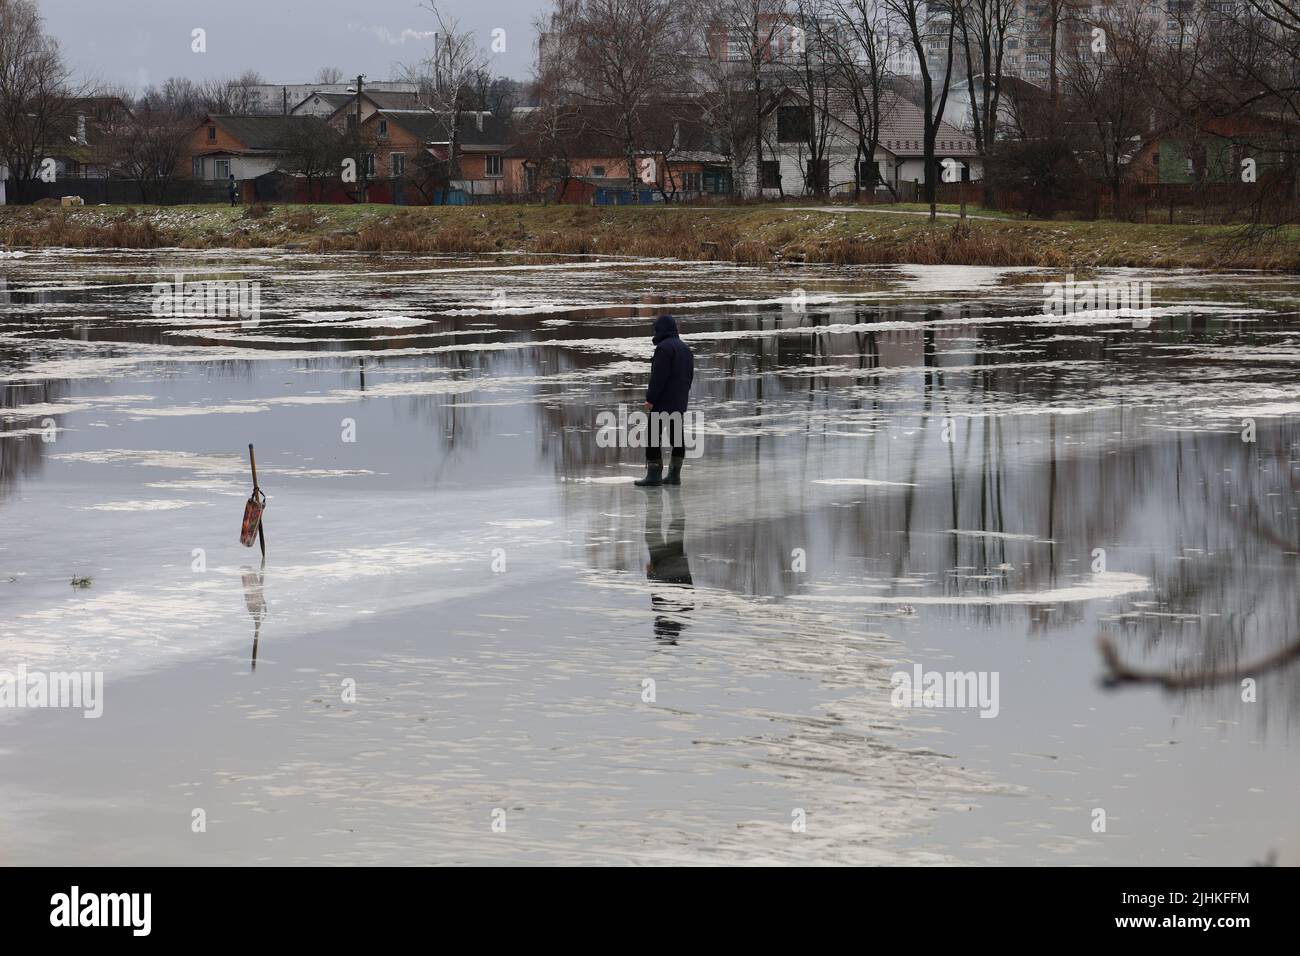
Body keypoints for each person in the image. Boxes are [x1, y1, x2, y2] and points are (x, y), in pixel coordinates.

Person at [635, 314, 694, 487]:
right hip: (679, 401)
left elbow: (658, 377)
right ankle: (674, 475)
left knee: (653, 435)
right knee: (677, 437)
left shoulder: (664, 348)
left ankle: (654, 475)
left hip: (663, 401)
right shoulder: (685, 348)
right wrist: (682, 396)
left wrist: (650, 399)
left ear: (661, 329)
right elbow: (689, 376)